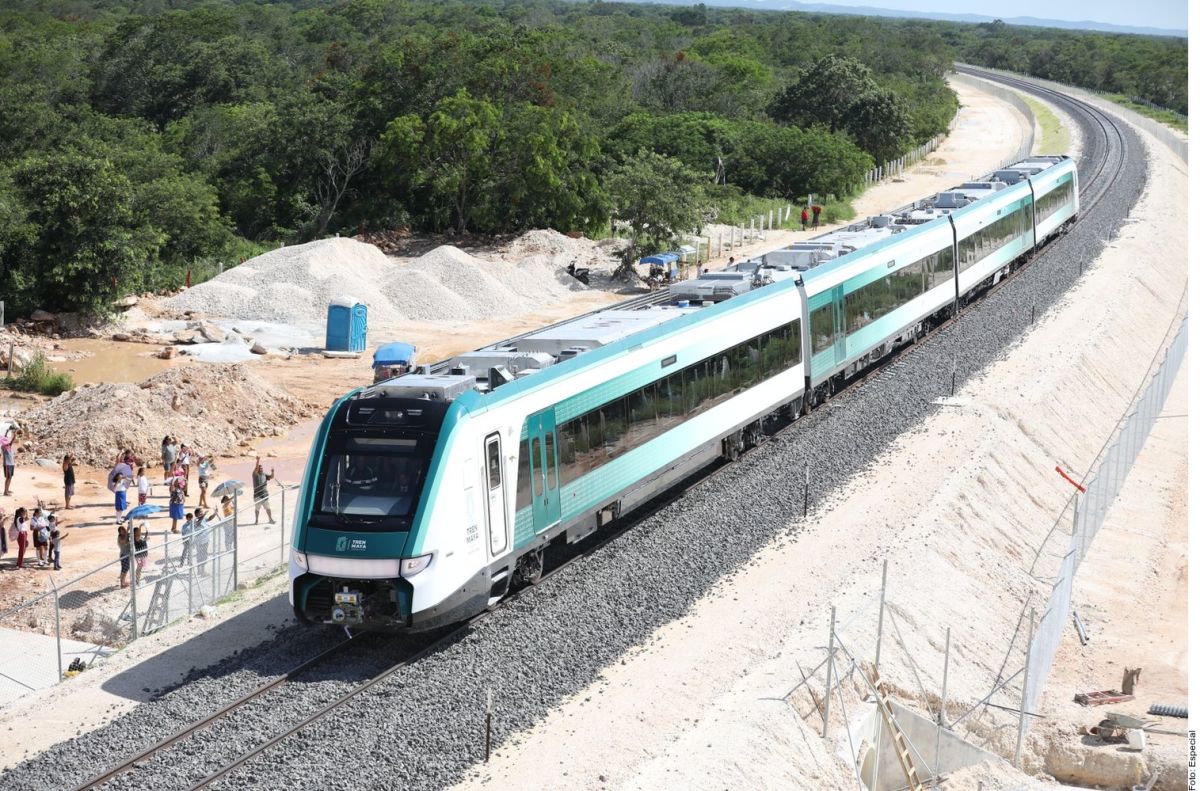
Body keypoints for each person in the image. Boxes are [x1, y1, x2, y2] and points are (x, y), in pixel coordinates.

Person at [252, 459, 275, 525]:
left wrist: (272, 472)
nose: (261, 469)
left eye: (262, 468)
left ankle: (270, 519)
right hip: (257, 495)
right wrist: (258, 460)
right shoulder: (255, 475)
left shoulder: (264, 474)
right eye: (260, 468)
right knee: (257, 509)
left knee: (268, 508)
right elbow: (256, 467)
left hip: (265, 495)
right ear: (257, 469)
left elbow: (271, 477)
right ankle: (256, 521)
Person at [1, 425, 17, 497]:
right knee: (8, 478)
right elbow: (11, 441)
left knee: (9, 477)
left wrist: (7, 431)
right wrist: (14, 434)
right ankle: (5, 492)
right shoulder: (5, 446)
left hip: (10, 463)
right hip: (7, 464)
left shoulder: (7, 446)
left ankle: (7, 489)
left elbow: (7, 439)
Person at [117, 523, 131, 588]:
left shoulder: (127, 535)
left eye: (123, 530)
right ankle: (122, 584)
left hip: (128, 555)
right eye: (121, 531)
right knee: (124, 570)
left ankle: (123, 581)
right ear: (119, 532)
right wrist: (127, 531)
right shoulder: (119, 537)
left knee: (126, 569)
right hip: (123, 555)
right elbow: (124, 542)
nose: (122, 531)